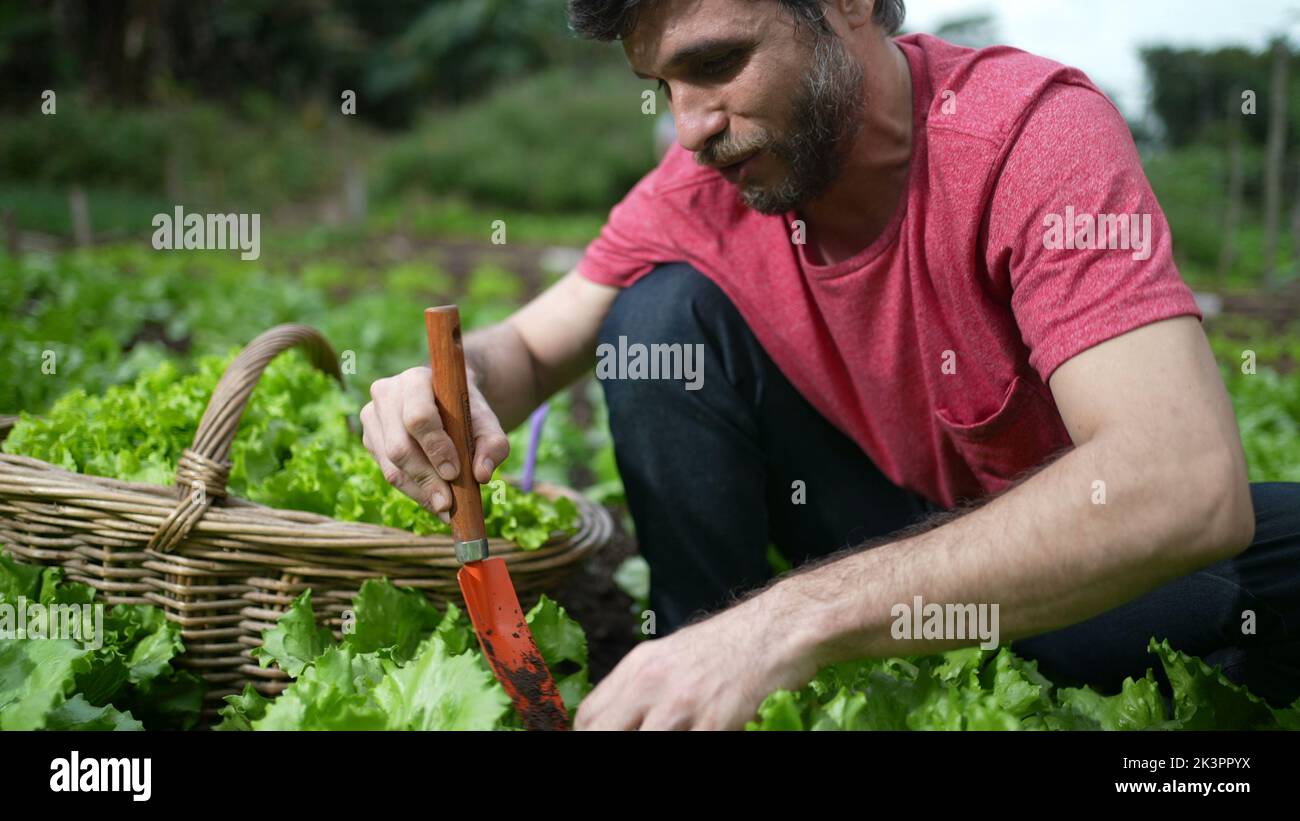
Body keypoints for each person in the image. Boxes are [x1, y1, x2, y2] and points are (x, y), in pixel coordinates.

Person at [361, 0, 1300, 729]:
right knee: (659, 318)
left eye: (719, 65)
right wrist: (451, 386)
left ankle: (747, 648)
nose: (689, 127)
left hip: (1071, 575)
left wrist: (784, 622)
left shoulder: (1031, 135)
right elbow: (525, 346)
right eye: (663, 86)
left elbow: (1180, 483)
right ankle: (689, 679)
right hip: (874, 534)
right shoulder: (700, 184)